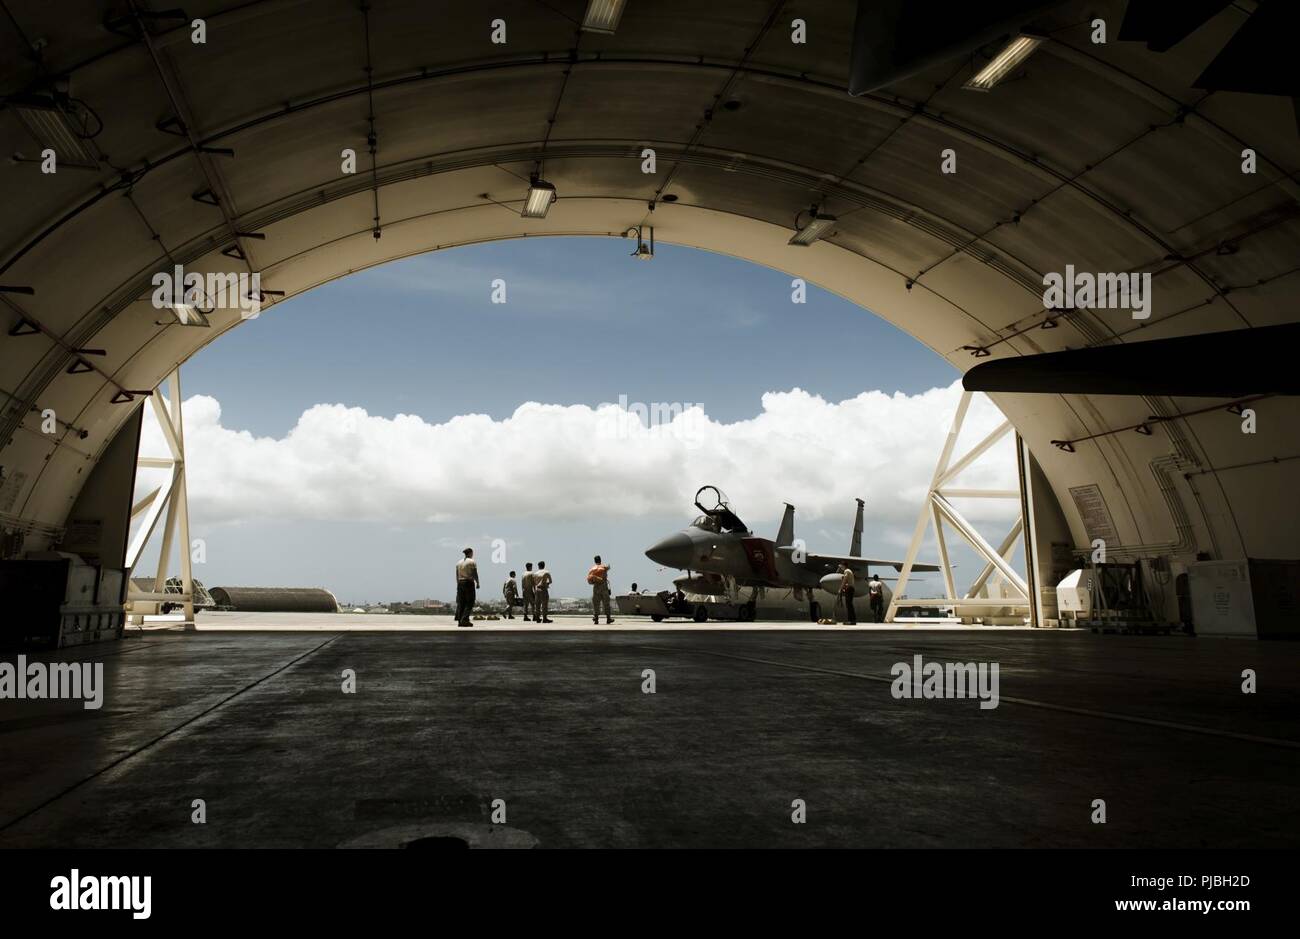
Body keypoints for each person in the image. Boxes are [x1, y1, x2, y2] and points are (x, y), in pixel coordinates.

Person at [454, 548, 479, 627]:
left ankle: (460, 621)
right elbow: (475, 573)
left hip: (460, 583)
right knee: (470, 602)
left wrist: (458, 584)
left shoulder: (458, 563)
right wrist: (478, 582)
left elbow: (457, 575)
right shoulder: (472, 561)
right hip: (468, 583)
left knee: (461, 602)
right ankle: (465, 619)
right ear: (470, 553)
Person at [587, 554, 614, 625]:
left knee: (596, 603)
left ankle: (596, 619)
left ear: (595, 561)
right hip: (604, 586)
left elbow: (589, 580)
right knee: (606, 603)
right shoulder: (604, 567)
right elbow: (608, 567)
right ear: (600, 560)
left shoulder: (592, 569)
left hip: (596, 586)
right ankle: (608, 619)